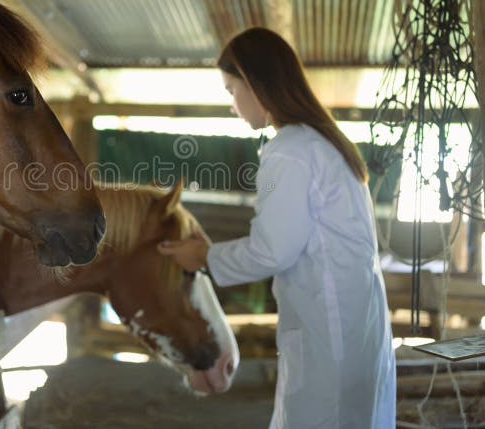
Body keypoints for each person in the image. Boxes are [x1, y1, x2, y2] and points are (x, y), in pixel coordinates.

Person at [157, 28, 396, 428]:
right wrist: (213, 253)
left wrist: (203, 256)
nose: (232, 105)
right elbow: (288, 239)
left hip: (330, 337)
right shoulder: (321, 143)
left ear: (254, 83)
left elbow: (272, 251)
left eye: (231, 89)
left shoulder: (290, 150)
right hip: (352, 330)